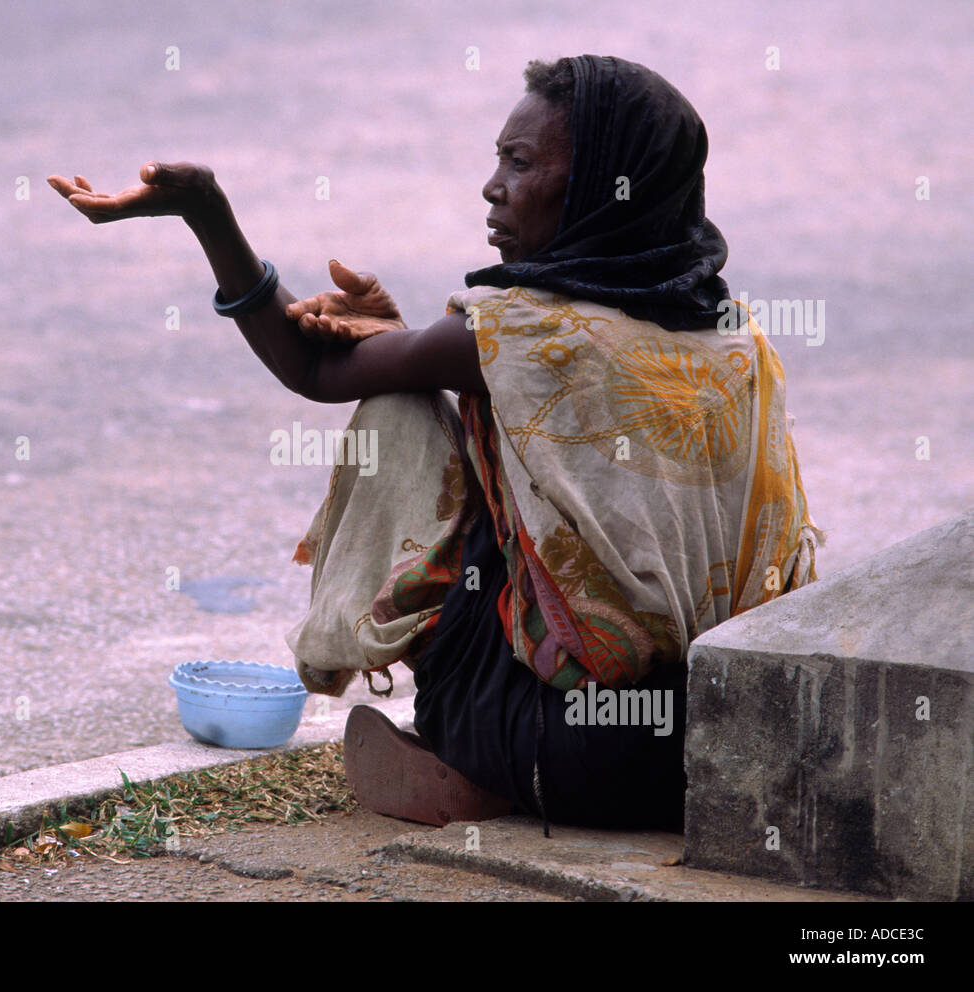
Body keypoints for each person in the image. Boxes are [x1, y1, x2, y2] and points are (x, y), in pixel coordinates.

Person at [49, 54, 820, 835]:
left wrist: (207, 211)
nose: (492, 187)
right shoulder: (738, 339)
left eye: (519, 163)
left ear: (598, 186)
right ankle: (493, 757)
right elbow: (527, 390)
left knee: (396, 404)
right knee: (502, 448)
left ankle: (466, 748)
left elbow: (314, 364)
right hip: (717, 737)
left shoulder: (518, 333)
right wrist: (411, 336)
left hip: (573, 757)